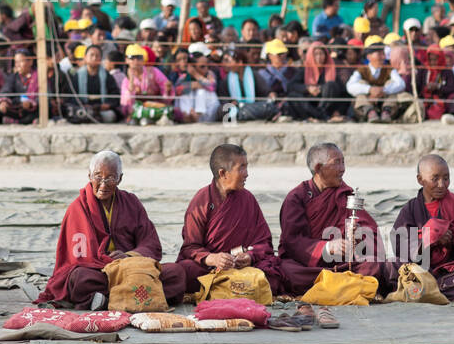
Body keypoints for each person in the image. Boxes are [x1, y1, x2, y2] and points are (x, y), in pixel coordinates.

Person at [36, 150, 189, 309]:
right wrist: (107, 262)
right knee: (80, 279)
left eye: (110, 178)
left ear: (120, 179)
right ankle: (140, 296)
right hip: (100, 273)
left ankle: (108, 300)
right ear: (89, 176)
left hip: (133, 270)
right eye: (98, 176)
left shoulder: (131, 202)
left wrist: (128, 256)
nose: (103, 184)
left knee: (176, 273)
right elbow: (76, 258)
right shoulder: (78, 208)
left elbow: (150, 243)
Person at [277, 142, 399, 296]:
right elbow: (292, 241)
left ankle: (336, 283)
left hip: (343, 263)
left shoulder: (344, 194)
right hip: (309, 265)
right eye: (337, 163)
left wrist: (357, 237)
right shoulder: (296, 197)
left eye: (343, 162)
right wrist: (326, 247)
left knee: (374, 266)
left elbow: (369, 231)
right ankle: (348, 284)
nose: (343, 169)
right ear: (318, 168)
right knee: (287, 271)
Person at [168, 143, 282, 295]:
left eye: (246, 167)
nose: (246, 173)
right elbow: (190, 247)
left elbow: (264, 243)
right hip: (209, 268)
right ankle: (234, 288)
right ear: (223, 173)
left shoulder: (247, 199)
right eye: (241, 168)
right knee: (180, 272)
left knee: (276, 271)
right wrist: (213, 258)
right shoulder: (201, 201)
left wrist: (250, 256)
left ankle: (222, 288)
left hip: (242, 266)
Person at [391, 154, 454, 301]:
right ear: (420, 180)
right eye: (435, 179)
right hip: (420, 270)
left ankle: (426, 292)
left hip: (451, 273)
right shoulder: (410, 209)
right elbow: (400, 245)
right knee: (390, 267)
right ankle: (432, 291)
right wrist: (431, 239)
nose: (441, 184)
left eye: (446, 178)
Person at [346, 37, 406, 123]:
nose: (383, 57)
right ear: (369, 56)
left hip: (384, 101)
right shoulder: (362, 70)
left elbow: (401, 84)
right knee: (360, 84)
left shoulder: (389, 69)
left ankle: (386, 112)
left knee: (391, 84)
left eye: (383, 54)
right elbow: (350, 86)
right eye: (379, 54)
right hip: (368, 103)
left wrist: (383, 90)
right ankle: (370, 112)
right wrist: (369, 90)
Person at [65, 44, 121, 124]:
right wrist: (81, 105)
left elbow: (115, 94)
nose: (94, 58)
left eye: (97, 56)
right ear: (85, 57)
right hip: (83, 108)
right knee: (76, 114)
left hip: (101, 109)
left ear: (101, 59)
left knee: (110, 115)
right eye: (91, 55)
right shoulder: (77, 75)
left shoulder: (106, 75)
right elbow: (71, 95)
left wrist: (107, 105)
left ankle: (92, 117)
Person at [120, 42, 173, 124]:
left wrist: (167, 89)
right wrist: (131, 81)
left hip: (155, 106)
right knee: (132, 111)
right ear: (127, 60)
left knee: (170, 110)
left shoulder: (154, 71)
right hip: (137, 109)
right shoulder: (126, 80)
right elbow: (126, 104)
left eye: (139, 57)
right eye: (132, 58)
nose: (136, 61)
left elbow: (167, 93)